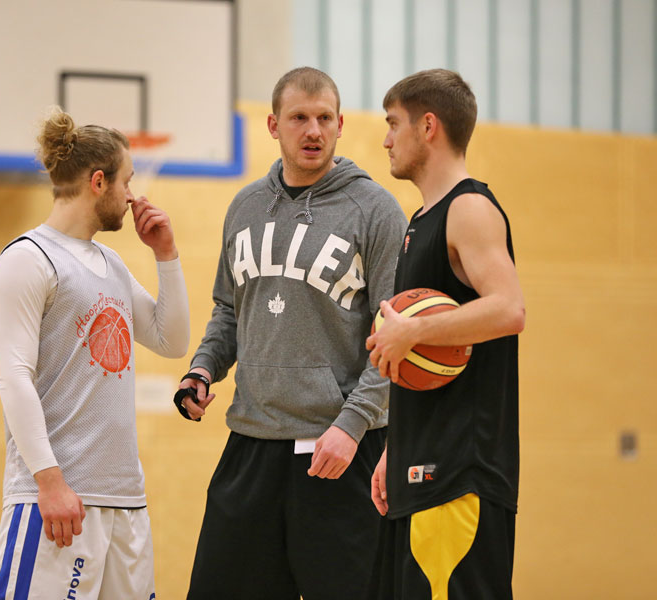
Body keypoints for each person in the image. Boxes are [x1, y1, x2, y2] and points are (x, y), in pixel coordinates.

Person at [173, 67, 408, 600]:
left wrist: (352, 424)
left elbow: (397, 335)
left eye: (325, 118)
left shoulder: (374, 210)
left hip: (340, 450)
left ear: (342, 124)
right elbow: (229, 310)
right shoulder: (246, 207)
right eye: (300, 118)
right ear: (273, 125)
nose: (313, 130)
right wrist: (203, 368)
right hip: (252, 444)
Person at [0, 108, 189, 599]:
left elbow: (172, 339)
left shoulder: (111, 263)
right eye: (127, 182)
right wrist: (49, 482)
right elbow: (14, 377)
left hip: (125, 503)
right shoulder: (27, 259)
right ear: (99, 182)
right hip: (56, 500)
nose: (133, 196)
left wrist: (166, 254)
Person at [366, 69, 526, 599]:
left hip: (460, 472)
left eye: (394, 124)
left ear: (428, 126)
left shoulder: (469, 208)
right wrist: (396, 444)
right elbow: (428, 363)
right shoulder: (422, 219)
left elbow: (508, 308)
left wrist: (411, 332)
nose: (386, 138)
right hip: (420, 465)